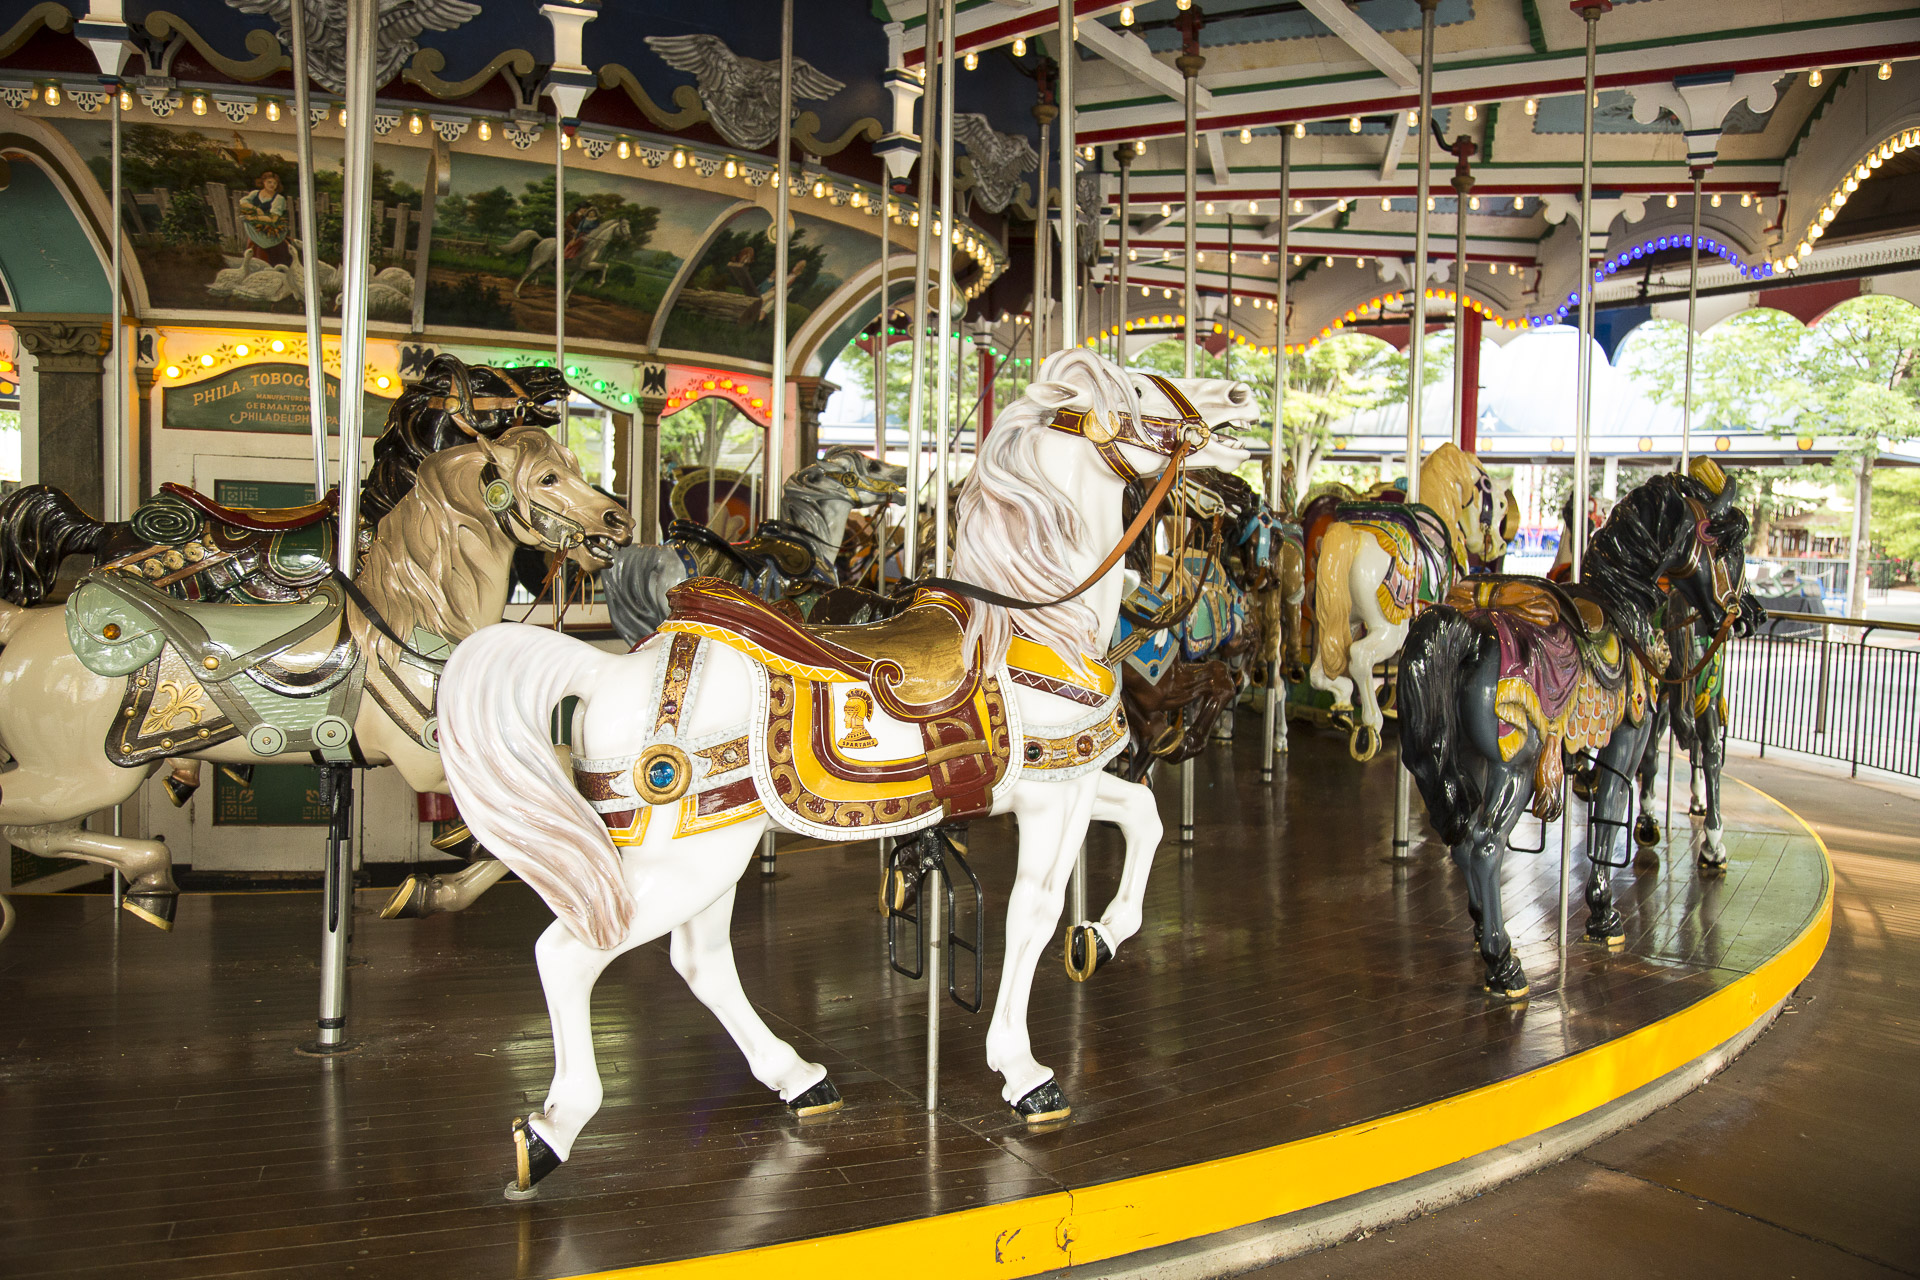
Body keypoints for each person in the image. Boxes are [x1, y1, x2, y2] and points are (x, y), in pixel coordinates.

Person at [237, 171, 292, 267]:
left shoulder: (279, 199)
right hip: (255, 232)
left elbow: (273, 219)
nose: (272, 185)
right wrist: (256, 209)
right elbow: (243, 202)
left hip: (270, 232)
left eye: (275, 183)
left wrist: (253, 217)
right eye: (269, 182)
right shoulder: (255, 193)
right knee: (252, 256)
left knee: (271, 261)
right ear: (263, 182)